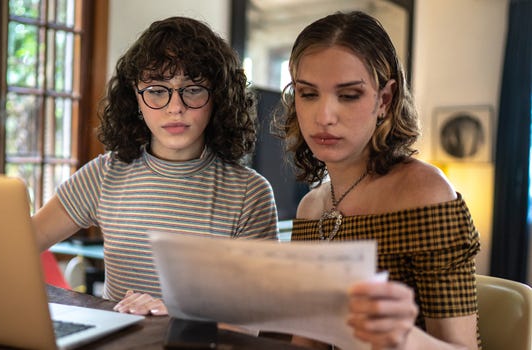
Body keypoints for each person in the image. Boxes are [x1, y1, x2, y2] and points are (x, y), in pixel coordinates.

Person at [32, 16, 278, 317]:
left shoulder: (250, 194)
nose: (176, 108)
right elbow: (22, 241)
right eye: (157, 90)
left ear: (219, 97)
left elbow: (257, 313)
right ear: (136, 97)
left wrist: (178, 312)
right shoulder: (103, 174)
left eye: (193, 89)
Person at [276, 11, 480, 349]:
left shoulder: (425, 193)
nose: (324, 116)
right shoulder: (310, 207)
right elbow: (307, 342)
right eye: (308, 94)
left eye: (349, 95)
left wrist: (402, 336)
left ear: (384, 99)